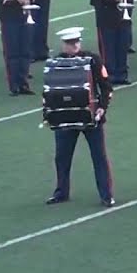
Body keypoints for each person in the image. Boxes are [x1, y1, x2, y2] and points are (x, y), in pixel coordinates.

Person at [45, 27, 114, 207]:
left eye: (76, 41)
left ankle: (106, 194)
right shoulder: (56, 63)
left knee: (99, 156)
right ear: (64, 44)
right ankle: (61, 191)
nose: (74, 45)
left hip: (91, 117)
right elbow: (50, 90)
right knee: (62, 157)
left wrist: (102, 108)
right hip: (65, 117)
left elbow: (106, 86)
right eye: (70, 43)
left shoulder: (92, 60)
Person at [88, 0, 132, 85]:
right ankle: (110, 74)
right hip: (106, 16)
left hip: (122, 16)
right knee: (108, 46)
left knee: (122, 44)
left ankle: (122, 73)